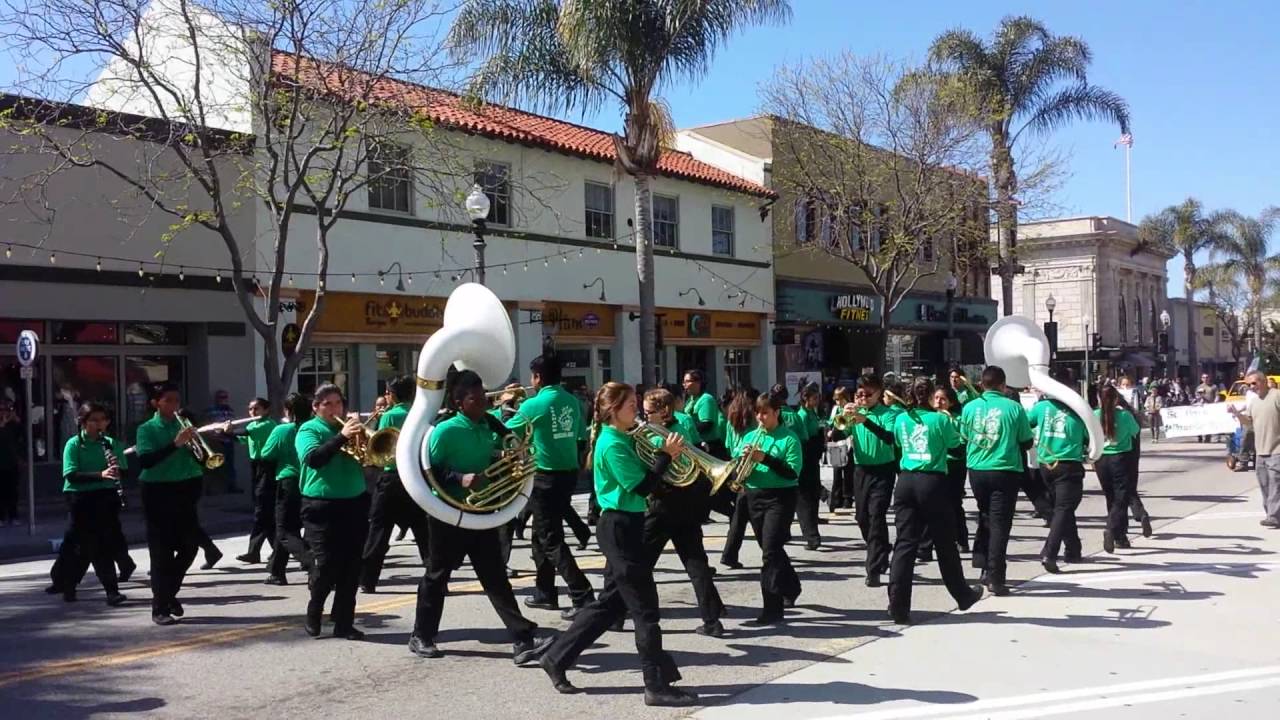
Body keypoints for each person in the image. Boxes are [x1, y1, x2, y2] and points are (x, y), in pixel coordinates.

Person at [540, 382, 697, 707]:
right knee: (645, 609)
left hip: (629, 524)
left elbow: (647, 480)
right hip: (619, 527)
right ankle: (656, 685)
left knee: (610, 604)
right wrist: (666, 456)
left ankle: (556, 657)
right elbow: (640, 486)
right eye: (629, 405)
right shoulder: (612, 443)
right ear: (613, 410)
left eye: (636, 403)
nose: (636, 409)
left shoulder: (624, 438)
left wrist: (665, 454)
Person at [407, 370, 554, 663]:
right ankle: (421, 635)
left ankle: (522, 639)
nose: (482, 404)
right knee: (437, 576)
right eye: (475, 399)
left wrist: (504, 460)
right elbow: (428, 470)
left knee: (495, 577)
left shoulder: (489, 425)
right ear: (459, 402)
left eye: (483, 398)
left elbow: (503, 448)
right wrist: (458, 477)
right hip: (448, 514)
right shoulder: (444, 431)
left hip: (480, 511)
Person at [883, 378, 984, 624]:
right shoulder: (940, 419)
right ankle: (962, 594)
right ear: (930, 397)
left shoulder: (901, 419)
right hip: (932, 481)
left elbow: (898, 442)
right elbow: (955, 446)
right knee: (944, 542)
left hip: (905, 481)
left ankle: (898, 604)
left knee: (905, 544)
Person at [508, 355, 595, 619]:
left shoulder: (534, 404)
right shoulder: (572, 400)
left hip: (544, 476)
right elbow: (580, 435)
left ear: (538, 377)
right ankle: (545, 592)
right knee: (541, 533)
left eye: (533, 377)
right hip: (567, 474)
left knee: (550, 538)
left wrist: (505, 406)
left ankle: (582, 593)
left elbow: (504, 430)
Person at [638, 388, 725, 637]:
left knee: (640, 563)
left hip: (663, 502)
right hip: (686, 502)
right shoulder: (683, 425)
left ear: (664, 411)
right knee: (696, 562)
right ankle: (712, 620)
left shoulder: (656, 436)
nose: (644, 417)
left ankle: (622, 612)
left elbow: (650, 464)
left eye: (648, 412)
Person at [295, 384, 370, 640]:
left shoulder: (348, 428)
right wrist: (342, 437)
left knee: (352, 568)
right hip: (321, 506)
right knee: (326, 565)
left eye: (338, 403)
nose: (334, 408)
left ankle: (344, 623)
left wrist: (366, 439)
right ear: (316, 407)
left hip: (355, 502)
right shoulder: (309, 429)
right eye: (327, 404)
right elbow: (314, 458)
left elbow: (371, 459)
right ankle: (314, 611)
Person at [135, 383, 206, 625]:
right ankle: (159, 607)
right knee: (161, 552)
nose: (174, 405)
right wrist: (175, 444)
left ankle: (167, 594)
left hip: (186, 489)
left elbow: (202, 458)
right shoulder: (147, 429)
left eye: (177, 400)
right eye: (169, 400)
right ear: (156, 403)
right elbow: (146, 460)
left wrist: (198, 446)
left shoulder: (183, 424)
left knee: (190, 547)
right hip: (158, 491)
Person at [959, 366, 1033, 596]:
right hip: (1005, 470)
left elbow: (963, 437)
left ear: (981, 383)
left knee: (985, 516)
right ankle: (996, 576)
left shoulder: (970, 407)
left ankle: (982, 565)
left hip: (977, 470)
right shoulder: (1013, 407)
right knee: (1000, 523)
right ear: (1003, 385)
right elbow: (1027, 440)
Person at [734, 392, 803, 626]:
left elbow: (792, 472)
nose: (761, 417)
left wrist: (765, 459)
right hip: (754, 495)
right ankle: (791, 586)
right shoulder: (750, 437)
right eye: (758, 413)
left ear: (776, 413)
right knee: (769, 547)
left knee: (770, 552)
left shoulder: (789, 438)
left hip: (780, 497)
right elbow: (736, 470)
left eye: (766, 413)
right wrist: (743, 462)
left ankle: (772, 609)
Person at [54, 402, 129, 606]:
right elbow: (71, 474)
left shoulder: (110, 443)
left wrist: (117, 468)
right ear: (83, 422)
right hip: (80, 498)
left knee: (103, 545)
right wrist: (101, 474)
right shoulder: (74, 444)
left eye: (102, 420)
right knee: (80, 547)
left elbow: (124, 470)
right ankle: (69, 585)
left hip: (105, 496)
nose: (99, 424)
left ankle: (112, 592)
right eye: (93, 420)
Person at [361, 376, 431, 593]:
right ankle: (437, 578)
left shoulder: (390, 415)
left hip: (391, 477)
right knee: (422, 531)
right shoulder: (421, 413)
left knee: (379, 530)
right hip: (416, 477)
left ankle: (368, 580)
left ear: (391, 394)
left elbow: (379, 448)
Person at [1028, 378, 1089, 572]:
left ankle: (1073, 549)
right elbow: (1090, 437)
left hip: (1047, 464)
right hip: (1069, 464)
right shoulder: (1081, 412)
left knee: (1062, 508)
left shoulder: (1042, 406)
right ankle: (1050, 552)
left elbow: (1027, 422)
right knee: (1064, 508)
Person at [846, 374, 900, 587]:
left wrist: (865, 421)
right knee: (862, 517)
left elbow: (889, 438)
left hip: (883, 470)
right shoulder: (855, 412)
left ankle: (874, 568)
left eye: (869, 394)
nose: (864, 398)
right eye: (860, 394)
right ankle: (881, 548)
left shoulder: (888, 414)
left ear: (879, 393)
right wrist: (843, 419)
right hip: (861, 470)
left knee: (876, 515)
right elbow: (837, 435)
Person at [262, 392, 313, 585]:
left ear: (288, 411)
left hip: (288, 482)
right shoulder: (314, 428)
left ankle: (311, 562)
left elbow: (265, 454)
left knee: (284, 531)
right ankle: (277, 571)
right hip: (309, 482)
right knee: (294, 527)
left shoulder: (282, 430)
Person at [228, 398, 279, 564]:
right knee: (266, 514)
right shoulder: (252, 425)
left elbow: (243, 433)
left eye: (256, 409)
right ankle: (280, 550)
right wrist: (224, 434)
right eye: (250, 409)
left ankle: (254, 551)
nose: (252, 412)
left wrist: (228, 431)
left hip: (268, 468)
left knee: (261, 512)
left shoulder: (268, 425)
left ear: (266, 410)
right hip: (255, 467)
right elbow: (242, 439)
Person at [1229, 371, 1280, 529]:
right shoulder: (1254, 402)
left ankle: (1274, 516)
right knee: (1265, 485)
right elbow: (1249, 423)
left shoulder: (1277, 396)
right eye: (1249, 384)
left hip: (1277, 450)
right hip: (1260, 451)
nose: (1251, 387)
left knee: (1276, 484)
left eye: (1254, 383)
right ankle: (1271, 514)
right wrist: (1237, 413)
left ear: (1264, 382)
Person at [1094, 386, 1143, 552]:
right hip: (1120, 458)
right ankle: (1112, 529)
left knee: (1111, 497)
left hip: (1101, 460)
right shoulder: (1124, 415)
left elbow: (1088, 436)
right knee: (1121, 499)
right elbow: (1135, 432)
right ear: (1116, 399)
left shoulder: (1094, 415)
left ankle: (1119, 536)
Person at [719, 387, 759, 570]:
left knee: (740, 514)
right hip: (749, 465)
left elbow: (728, 445)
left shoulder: (730, 419)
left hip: (735, 465)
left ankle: (730, 554)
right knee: (749, 513)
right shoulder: (753, 421)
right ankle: (769, 549)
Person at [931, 385, 970, 554]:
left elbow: (961, 445)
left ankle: (961, 539)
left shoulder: (956, 419)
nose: (938, 402)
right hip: (935, 466)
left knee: (954, 503)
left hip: (954, 465)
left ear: (951, 402)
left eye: (943, 399)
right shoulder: (930, 417)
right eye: (936, 398)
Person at [793, 384, 824, 550]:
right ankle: (812, 536)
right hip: (806, 457)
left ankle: (814, 529)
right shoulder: (802, 415)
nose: (817, 400)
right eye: (814, 398)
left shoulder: (813, 413)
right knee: (805, 497)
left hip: (814, 458)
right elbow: (804, 439)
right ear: (806, 399)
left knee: (813, 494)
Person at [683, 370, 726, 459]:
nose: (684, 385)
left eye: (687, 381)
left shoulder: (706, 399)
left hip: (709, 446)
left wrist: (688, 432)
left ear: (698, 383)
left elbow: (706, 424)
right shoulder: (690, 400)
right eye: (684, 382)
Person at [205, 389, 240, 493]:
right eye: (221, 397)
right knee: (214, 465)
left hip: (228, 441)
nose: (223, 400)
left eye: (225, 397)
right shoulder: (211, 410)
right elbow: (206, 424)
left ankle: (231, 486)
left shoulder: (230, 410)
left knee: (229, 465)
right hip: (216, 441)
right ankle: (210, 488)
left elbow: (234, 423)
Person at [826, 386, 854, 513]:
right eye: (835, 399)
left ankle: (848, 498)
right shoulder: (835, 409)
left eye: (839, 399)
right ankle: (836, 497)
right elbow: (831, 422)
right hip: (836, 443)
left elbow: (845, 426)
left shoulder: (850, 409)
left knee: (848, 472)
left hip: (848, 441)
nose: (837, 402)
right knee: (837, 471)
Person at [0, 399, 20, 526]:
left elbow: (22, 436)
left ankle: (13, 515)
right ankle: (1, 516)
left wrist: (15, 420)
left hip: (11, 462)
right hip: (1, 463)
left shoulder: (13, 425)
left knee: (13, 491)